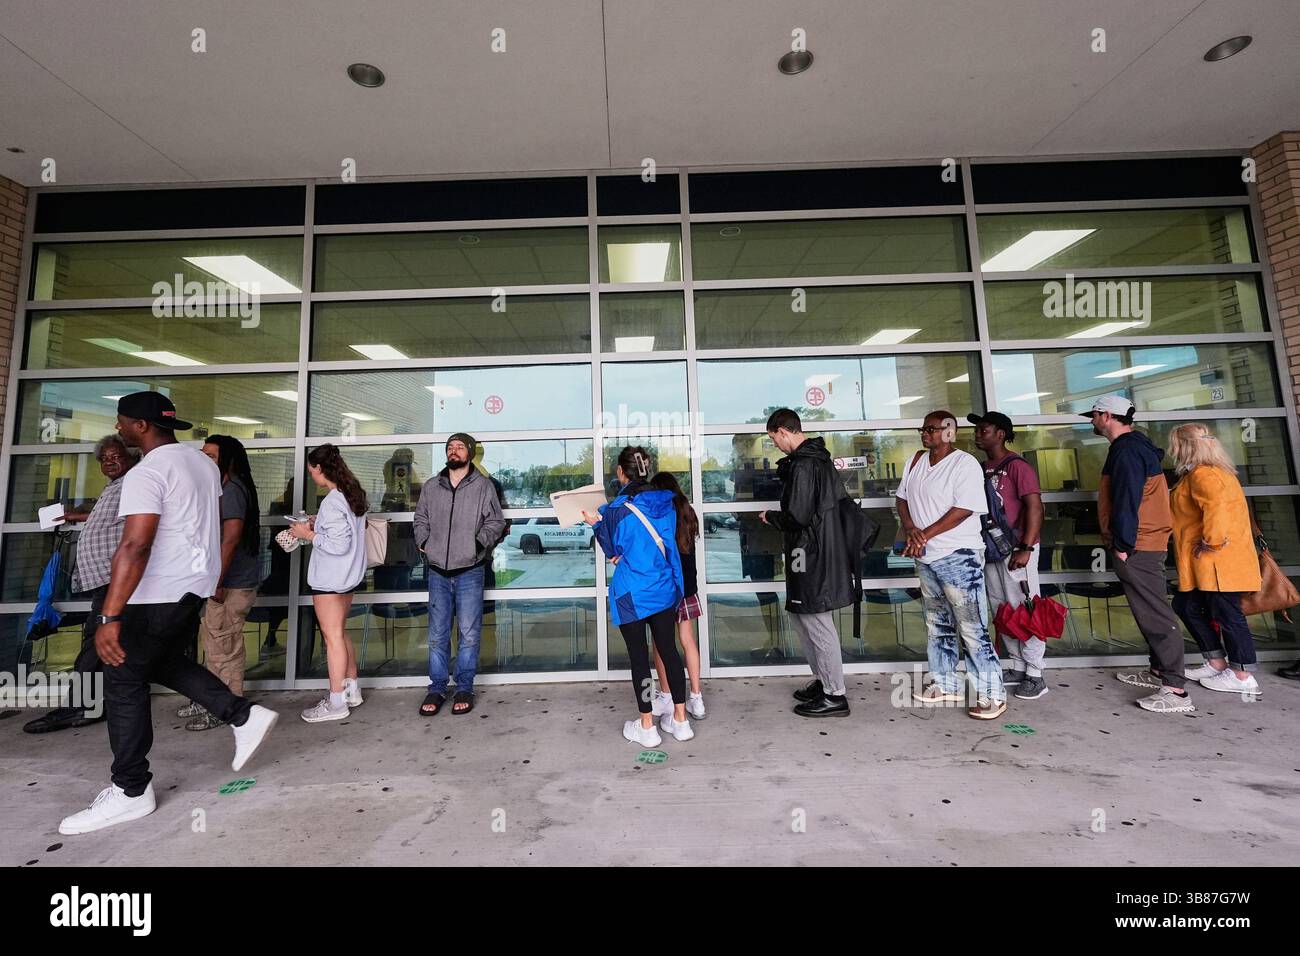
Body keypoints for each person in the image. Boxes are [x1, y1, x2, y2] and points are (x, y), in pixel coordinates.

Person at [58, 393, 277, 835]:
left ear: (140, 426)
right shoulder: (201, 465)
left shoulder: (150, 471)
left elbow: (135, 544)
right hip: (191, 588)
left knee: (122, 676)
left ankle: (131, 791)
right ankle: (241, 714)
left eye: (121, 423)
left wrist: (109, 615)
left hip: (155, 592)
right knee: (159, 661)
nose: (117, 430)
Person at [24, 435, 139, 734]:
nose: (110, 462)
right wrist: (78, 516)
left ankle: (81, 705)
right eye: (104, 459)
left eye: (115, 456)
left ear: (129, 456)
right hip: (106, 580)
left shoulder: (133, 483)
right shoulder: (116, 486)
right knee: (104, 643)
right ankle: (95, 702)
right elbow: (108, 519)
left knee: (95, 643)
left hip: (115, 580)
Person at [896, 410, 1006, 719]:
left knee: (972, 628)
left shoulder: (964, 464)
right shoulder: (916, 461)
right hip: (926, 556)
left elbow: (964, 509)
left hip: (959, 556)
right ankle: (945, 684)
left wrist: (924, 534)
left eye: (931, 429)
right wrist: (911, 530)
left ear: (949, 432)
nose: (925, 433)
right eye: (923, 428)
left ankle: (992, 695)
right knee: (938, 624)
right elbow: (902, 499)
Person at [1087, 396, 1191, 713]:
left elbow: (1127, 500)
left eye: (1093, 415)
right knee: (1150, 609)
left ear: (1106, 415)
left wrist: (1122, 545)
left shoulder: (1127, 450)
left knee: (1155, 614)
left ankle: (1175, 690)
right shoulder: (1135, 446)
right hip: (1144, 542)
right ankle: (1158, 670)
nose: (1090, 421)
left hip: (1139, 545)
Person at [585, 446, 693, 746]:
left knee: (639, 658)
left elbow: (613, 551)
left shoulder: (618, 509)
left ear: (621, 472)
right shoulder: (666, 503)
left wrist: (595, 524)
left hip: (632, 592)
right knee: (669, 652)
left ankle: (647, 725)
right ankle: (681, 721)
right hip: (664, 589)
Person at [760, 409, 855, 718]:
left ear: (783, 432)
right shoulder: (817, 459)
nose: (775, 444)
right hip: (812, 550)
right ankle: (824, 680)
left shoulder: (805, 464)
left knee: (816, 620)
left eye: (774, 438)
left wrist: (770, 517)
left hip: (811, 552)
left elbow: (798, 516)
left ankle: (835, 694)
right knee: (802, 616)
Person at [413, 433, 506, 717]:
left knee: (468, 633)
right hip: (438, 571)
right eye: (450, 447)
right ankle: (437, 687)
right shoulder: (432, 487)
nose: (454, 451)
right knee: (437, 634)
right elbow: (420, 519)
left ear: (470, 453)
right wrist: (426, 542)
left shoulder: (483, 487)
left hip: (470, 571)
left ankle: (464, 686)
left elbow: (496, 521)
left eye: (459, 447)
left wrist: (477, 544)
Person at [1167, 423, 1262, 697]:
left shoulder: (1204, 475)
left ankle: (1242, 675)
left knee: (1229, 615)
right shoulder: (1211, 473)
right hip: (1215, 563)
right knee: (1187, 605)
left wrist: (1211, 542)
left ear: (1184, 447)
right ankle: (1217, 662)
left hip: (1219, 563)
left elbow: (1216, 510)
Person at [179, 435, 262, 731]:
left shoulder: (233, 490)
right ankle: (209, 699)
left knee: (224, 644)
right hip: (221, 580)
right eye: (202, 454)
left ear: (228, 459)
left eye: (211, 456)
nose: (204, 459)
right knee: (213, 642)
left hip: (230, 583)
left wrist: (217, 578)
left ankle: (227, 706)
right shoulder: (222, 487)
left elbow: (230, 538)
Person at [969, 411, 1048, 700]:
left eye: (984, 430)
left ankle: (1036, 673)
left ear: (1000, 434)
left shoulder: (1017, 467)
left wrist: (1026, 548)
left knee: (1025, 607)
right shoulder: (981, 468)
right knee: (1002, 608)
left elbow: (1035, 508)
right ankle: (1016, 665)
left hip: (1017, 549)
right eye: (977, 430)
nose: (978, 435)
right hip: (991, 550)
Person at [292, 444, 369, 723]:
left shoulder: (333, 501)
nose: (311, 475)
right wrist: (318, 523)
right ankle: (352, 688)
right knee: (340, 632)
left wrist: (307, 534)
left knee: (331, 637)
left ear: (320, 468)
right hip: (348, 577)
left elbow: (338, 544)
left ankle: (336, 702)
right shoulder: (351, 495)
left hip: (330, 578)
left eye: (311, 470)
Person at [648, 471, 706, 720]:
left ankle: (667, 695)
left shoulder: (662, 513)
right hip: (688, 587)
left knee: (661, 645)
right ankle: (696, 697)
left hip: (667, 587)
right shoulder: (687, 510)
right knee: (688, 640)